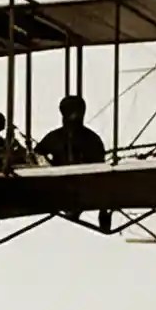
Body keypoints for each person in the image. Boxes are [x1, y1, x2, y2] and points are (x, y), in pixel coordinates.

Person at [34, 95, 111, 231]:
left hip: (78, 189)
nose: (74, 116)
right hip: (65, 188)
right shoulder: (58, 138)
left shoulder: (90, 140)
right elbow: (37, 155)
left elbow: (99, 169)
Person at [33, 95, 106, 166]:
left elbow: (97, 167)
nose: (73, 117)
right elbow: (36, 155)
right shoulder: (54, 137)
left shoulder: (92, 140)